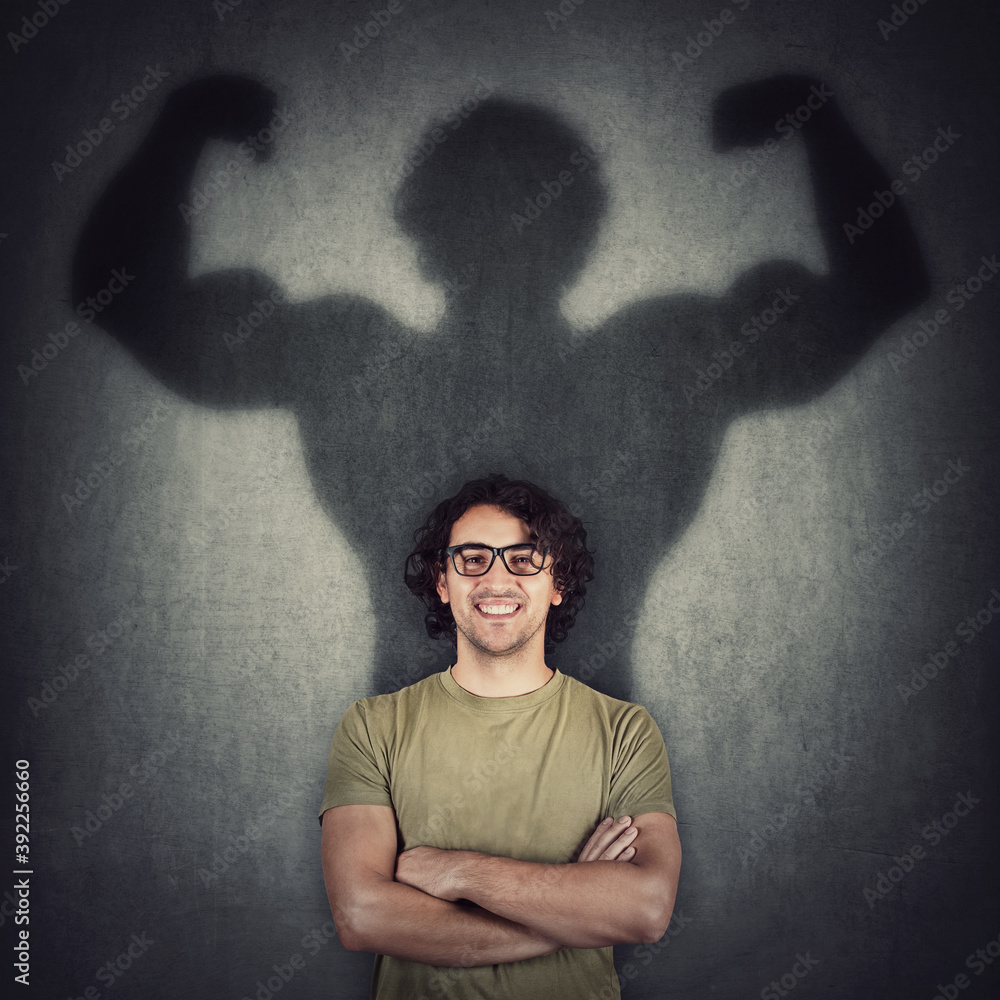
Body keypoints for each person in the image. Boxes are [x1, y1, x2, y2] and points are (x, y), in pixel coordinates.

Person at [71, 74, 929, 703]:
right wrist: (817, 122)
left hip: (487, 772)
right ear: (586, 226)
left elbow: (123, 297)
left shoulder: (356, 360)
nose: (504, 229)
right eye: (489, 204)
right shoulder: (656, 365)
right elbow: (880, 288)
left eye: (519, 204)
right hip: (536, 769)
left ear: (422, 228)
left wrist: (185, 129)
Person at [318, 474, 681, 999]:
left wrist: (459, 872)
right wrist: (572, 908)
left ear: (559, 584)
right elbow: (362, 915)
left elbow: (645, 909)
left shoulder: (625, 730)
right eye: (472, 558)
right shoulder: (372, 726)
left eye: (525, 558)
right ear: (443, 582)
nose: (496, 579)